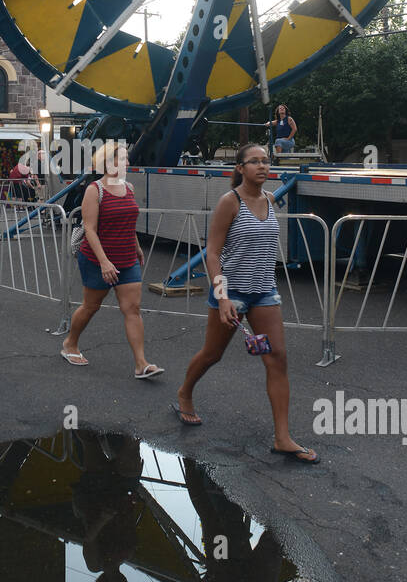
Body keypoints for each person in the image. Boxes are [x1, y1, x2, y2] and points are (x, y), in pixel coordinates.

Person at [173, 144, 319, 463]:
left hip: (264, 292)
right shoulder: (230, 202)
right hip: (232, 293)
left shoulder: (269, 200)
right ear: (240, 167)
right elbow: (212, 253)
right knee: (213, 354)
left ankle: (282, 437)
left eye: (266, 161)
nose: (262, 166)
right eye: (254, 161)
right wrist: (223, 297)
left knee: (277, 359)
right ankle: (185, 393)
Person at [61, 141, 162, 379]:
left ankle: (141, 364)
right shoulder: (95, 190)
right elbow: (90, 229)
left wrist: (136, 246)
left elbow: (128, 222)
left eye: (127, 158)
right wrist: (105, 262)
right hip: (97, 260)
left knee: (132, 309)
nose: (128, 163)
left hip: (127, 259)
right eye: (123, 158)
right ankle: (70, 344)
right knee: (90, 306)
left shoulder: (129, 188)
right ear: (108, 162)